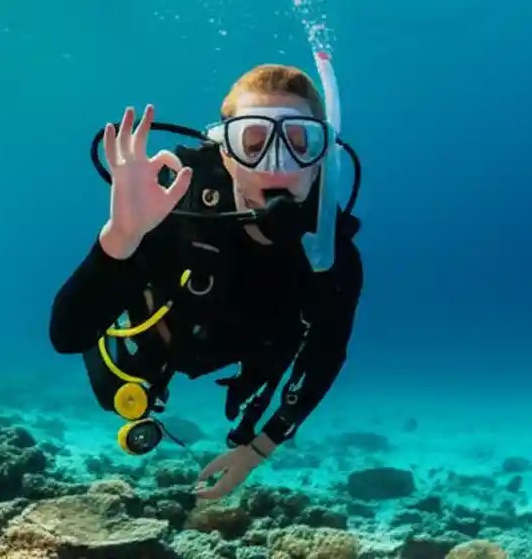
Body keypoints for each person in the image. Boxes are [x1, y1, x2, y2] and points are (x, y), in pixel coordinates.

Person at [49, 62, 365, 501]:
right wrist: (121, 238)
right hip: (161, 345)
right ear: (225, 154)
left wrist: (259, 447)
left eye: (299, 143)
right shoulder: (174, 209)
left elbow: (325, 354)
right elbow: (67, 335)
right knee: (112, 389)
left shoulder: (331, 254)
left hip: (252, 356)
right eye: (252, 142)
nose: (276, 165)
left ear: (321, 162)